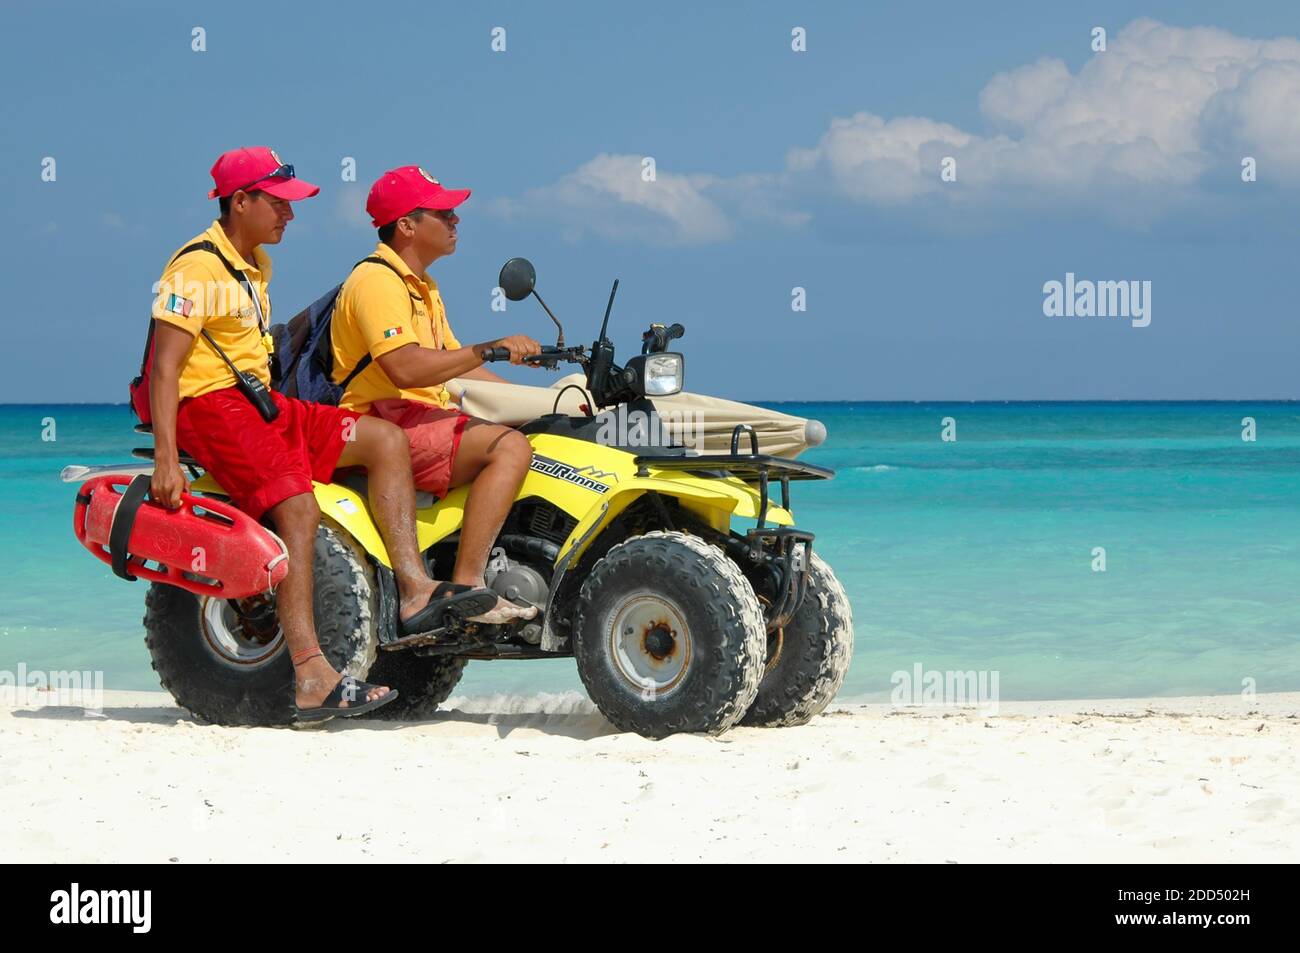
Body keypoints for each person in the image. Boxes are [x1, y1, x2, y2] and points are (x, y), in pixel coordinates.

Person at [148, 148, 470, 719]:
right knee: (296, 507)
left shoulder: (254, 265)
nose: (289, 216)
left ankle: (415, 588)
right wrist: (167, 462)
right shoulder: (195, 269)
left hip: (260, 402)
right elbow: (165, 369)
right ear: (240, 201)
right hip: (210, 407)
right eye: (278, 204)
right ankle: (312, 675)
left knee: (381, 439)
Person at [330, 166, 543, 624]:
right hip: (380, 416)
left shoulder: (424, 286)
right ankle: (469, 584)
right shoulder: (377, 281)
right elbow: (404, 368)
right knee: (510, 450)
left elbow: (458, 368)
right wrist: (490, 345)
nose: (455, 221)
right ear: (407, 225)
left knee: (535, 430)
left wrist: (543, 402)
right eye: (444, 213)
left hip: (419, 412)